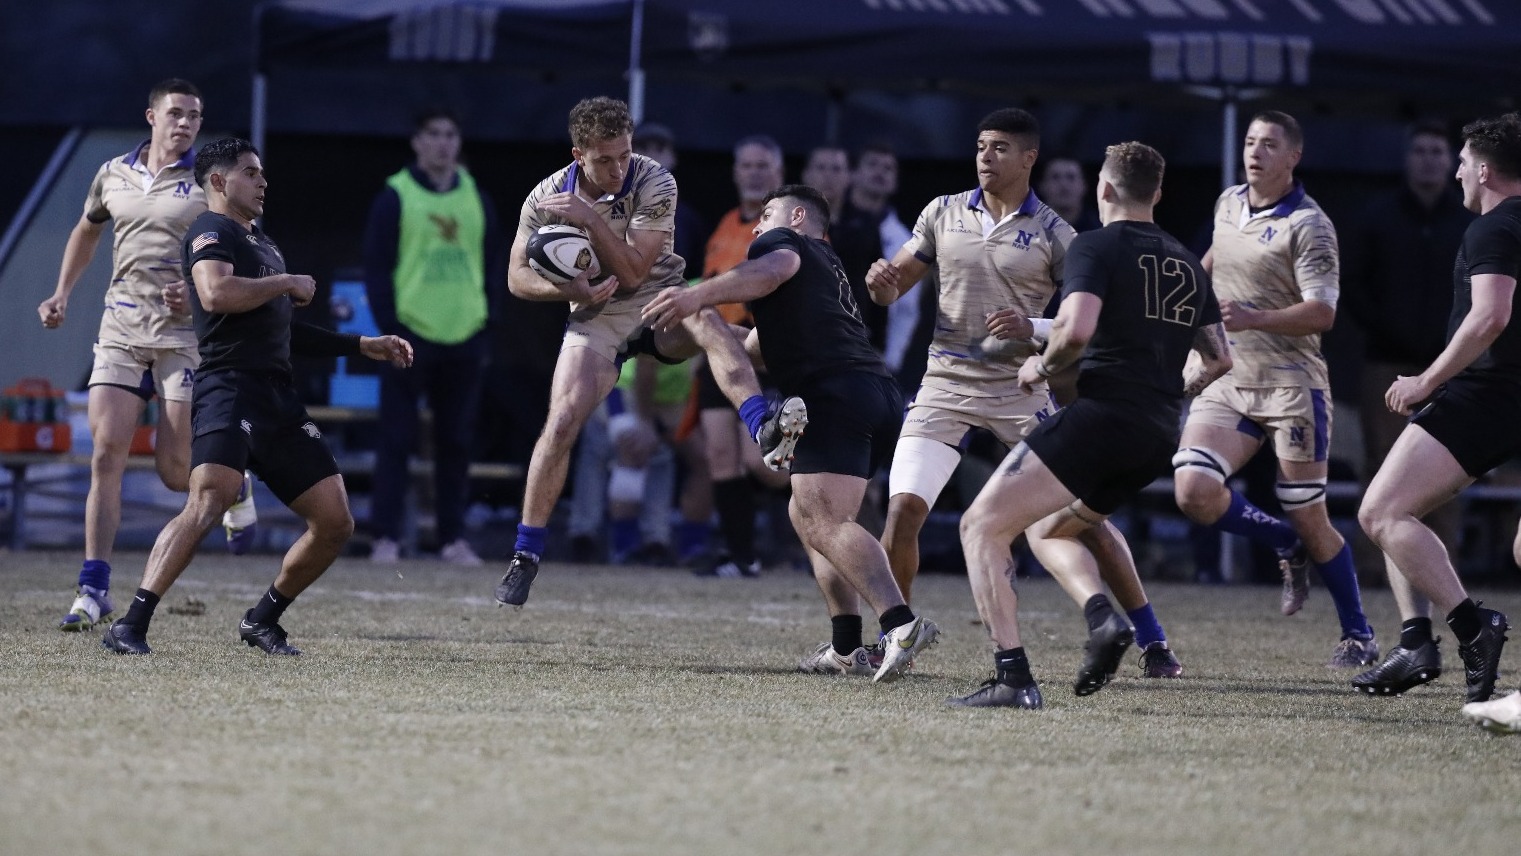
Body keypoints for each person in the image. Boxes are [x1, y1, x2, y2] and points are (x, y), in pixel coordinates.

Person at [865, 108, 1185, 681]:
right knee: (903, 510)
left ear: (1029, 158)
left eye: (1000, 148)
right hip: (945, 384)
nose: (985, 157)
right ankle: (896, 638)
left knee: (1081, 519)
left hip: (1021, 388)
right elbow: (895, 287)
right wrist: (881, 285)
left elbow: (1088, 321)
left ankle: (1153, 639)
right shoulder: (942, 211)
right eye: (980, 146)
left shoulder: (1058, 235)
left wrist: (1031, 328)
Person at [100, 137, 414, 655]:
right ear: (218, 181)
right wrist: (286, 281)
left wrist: (362, 345)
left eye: (262, 173)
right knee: (210, 499)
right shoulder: (210, 230)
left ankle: (262, 619)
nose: (263, 181)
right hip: (229, 387)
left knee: (335, 522)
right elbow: (215, 293)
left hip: (278, 398)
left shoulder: (263, 244)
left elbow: (282, 330)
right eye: (250, 172)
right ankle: (130, 625)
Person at [947, 142, 1232, 708]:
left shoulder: (1095, 245)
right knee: (1050, 528)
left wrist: (1040, 366)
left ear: (1104, 189)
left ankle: (1012, 679)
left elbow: (1075, 330)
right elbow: (1220, 358)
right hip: (1157, 433)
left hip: (1103, 418)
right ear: (1157, 193)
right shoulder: (1185, 259)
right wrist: (1173, 390)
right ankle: (1106, 620)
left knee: (980, 526)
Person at [494, 96, 788, 608]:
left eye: (624, 155)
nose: (618, 169)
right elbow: (517, 278)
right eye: (604, 160)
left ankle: (762, 424)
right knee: (561, 422)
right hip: (597, 315)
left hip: (658, 298)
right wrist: (568, 290)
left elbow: (632, 273)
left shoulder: (655, 180)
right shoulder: (546, 195)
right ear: (578, 155)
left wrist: (589, 218)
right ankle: (525, 554)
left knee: (707, 317)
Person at [643, 184, 940, 683]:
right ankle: (846, 646)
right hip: (874, 393)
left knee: (824, 521)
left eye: (767, 214)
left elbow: (769, 271)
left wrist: (696, 294)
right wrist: (701, 334)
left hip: (835, 395)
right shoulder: (827, 266)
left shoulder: (782, 245)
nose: (758, 226)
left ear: (798, 216)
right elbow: (758, 348)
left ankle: (900, 624)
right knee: (806, 515)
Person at [36, 79, 253, 632]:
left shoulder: (209, 181)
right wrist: (62, 293)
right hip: (121, 329)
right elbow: (86, 231)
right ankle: (93, 588)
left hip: (184, 337)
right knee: (105, 454)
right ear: (152, 116)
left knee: (176, 473)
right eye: (176, 113)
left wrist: (196, 285)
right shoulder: (113, 173)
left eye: (195, 116)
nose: (186, 123)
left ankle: (236, 483)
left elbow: (244, 246)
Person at [1170, 110, 1378, 667]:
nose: (1255, 152)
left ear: (1293, 157)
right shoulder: (1228, 203)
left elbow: (1323, 313)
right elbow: (1209, 266)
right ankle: (1280, 542)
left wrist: (1253, 317)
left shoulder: (1310, 225)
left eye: (1268, 144)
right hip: (1229, 376)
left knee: (1310, 515)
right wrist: (1186, 303)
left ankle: (1358, 634)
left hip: (1291, 385)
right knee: (1192, 489)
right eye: (1249, 142)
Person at [1353, 113, 1520, 705]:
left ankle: (1473, 628)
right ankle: (1416, 642)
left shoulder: (1494, 228)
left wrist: (1426, 379)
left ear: (1485, 170)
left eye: (1463, 162)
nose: (1455, 173)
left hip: (1491, 393)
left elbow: (1490, 317)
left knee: (1382, 512)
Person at [362, 108, 503, 565]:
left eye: (450, 134)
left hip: (465, 334)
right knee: (396, 439)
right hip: (410, 334)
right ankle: (385, 537)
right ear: (417, 142)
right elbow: (377, 269)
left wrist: (487, 322)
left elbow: (494, 264)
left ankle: (452, 538)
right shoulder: (395, 196)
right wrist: (390, 328)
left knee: (456, 442)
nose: (443, 143)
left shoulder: (476, 197)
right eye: (434, 134)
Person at [1342, 121, 1474, 576]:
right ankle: (1373, 571)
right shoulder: (1377, 216)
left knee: (1449, 469)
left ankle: (1443, 570)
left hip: (1450, 364)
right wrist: (1386, 329)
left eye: (1437, 151)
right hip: (1387, 361)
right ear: (1406, 158)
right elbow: (1353, 284)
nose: (1429, 160)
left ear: (1452, 160)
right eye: (1420, 151)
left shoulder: (1468, 222)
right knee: (1382, 462)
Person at [694, 134, 789, 578]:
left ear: (778, 173)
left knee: (760, 459)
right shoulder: (724, 226)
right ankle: (740, 555)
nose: (753, 174)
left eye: (762, 166)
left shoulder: (789, 226)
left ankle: (829, 494)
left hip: (764, 350)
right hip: (718, 350)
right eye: (746, 165)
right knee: (719, 454)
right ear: (735, 172)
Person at [1037, 155, 1103, 233]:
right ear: (1042, 186)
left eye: (1071, 177)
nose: (1063, 184)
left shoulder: (1101, 231)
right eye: (1055, 177)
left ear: (1084, 186)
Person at [800, 145, 850, 222]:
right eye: (821, 168)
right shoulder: (788, 221)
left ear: (848, 177)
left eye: (836, 169)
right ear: (806, 175)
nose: (828, 175)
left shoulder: (865, 223)